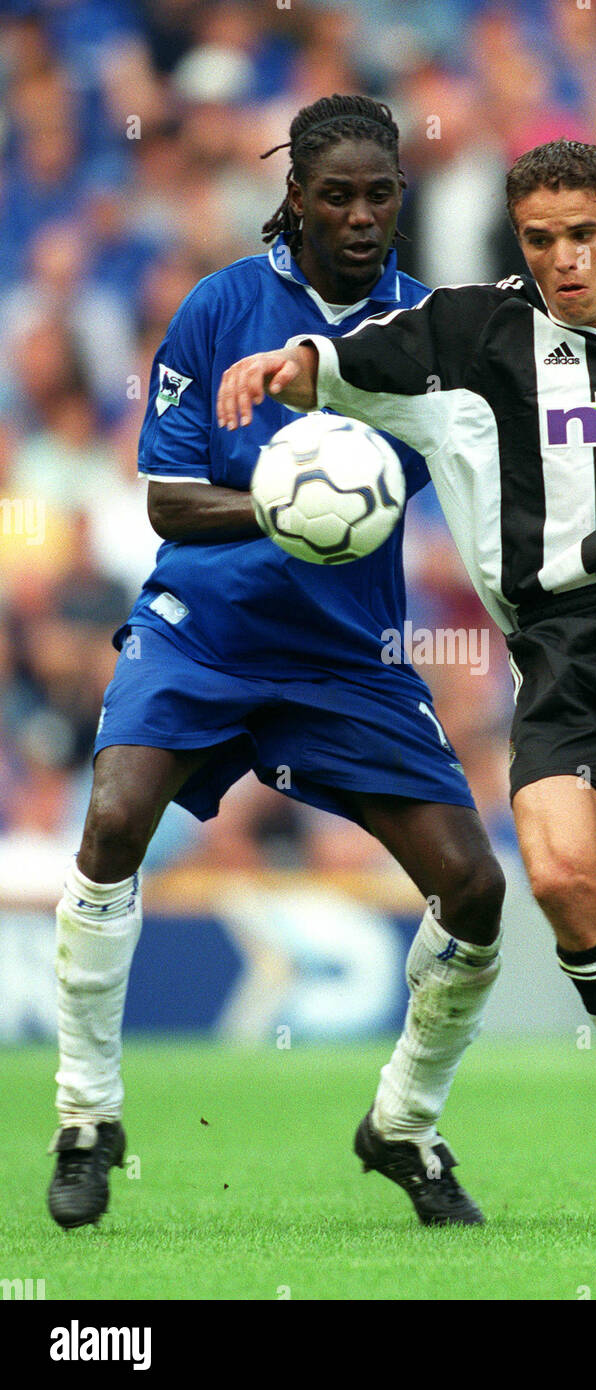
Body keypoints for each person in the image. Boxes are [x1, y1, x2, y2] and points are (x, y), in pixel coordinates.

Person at [218, 140, 596, 1227]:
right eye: (540, 239)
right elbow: (347, 357)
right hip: (555, 648)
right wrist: (282, 369)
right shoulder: (471, 331)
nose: (562, 258)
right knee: (557, 882)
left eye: (581, 234)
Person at [47, 94, 506, 1232]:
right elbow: (166, 498)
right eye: (336, 195)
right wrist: (283, 506)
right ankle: (86, 1116)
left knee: (476, 888)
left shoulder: (430, 328)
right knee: (113, 818)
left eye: (380, 194)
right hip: (201, 633)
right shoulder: (219, 308)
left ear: (402, 196)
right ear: (293, 194)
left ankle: (403, 1121)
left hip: (346, 657)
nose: (360, 217)